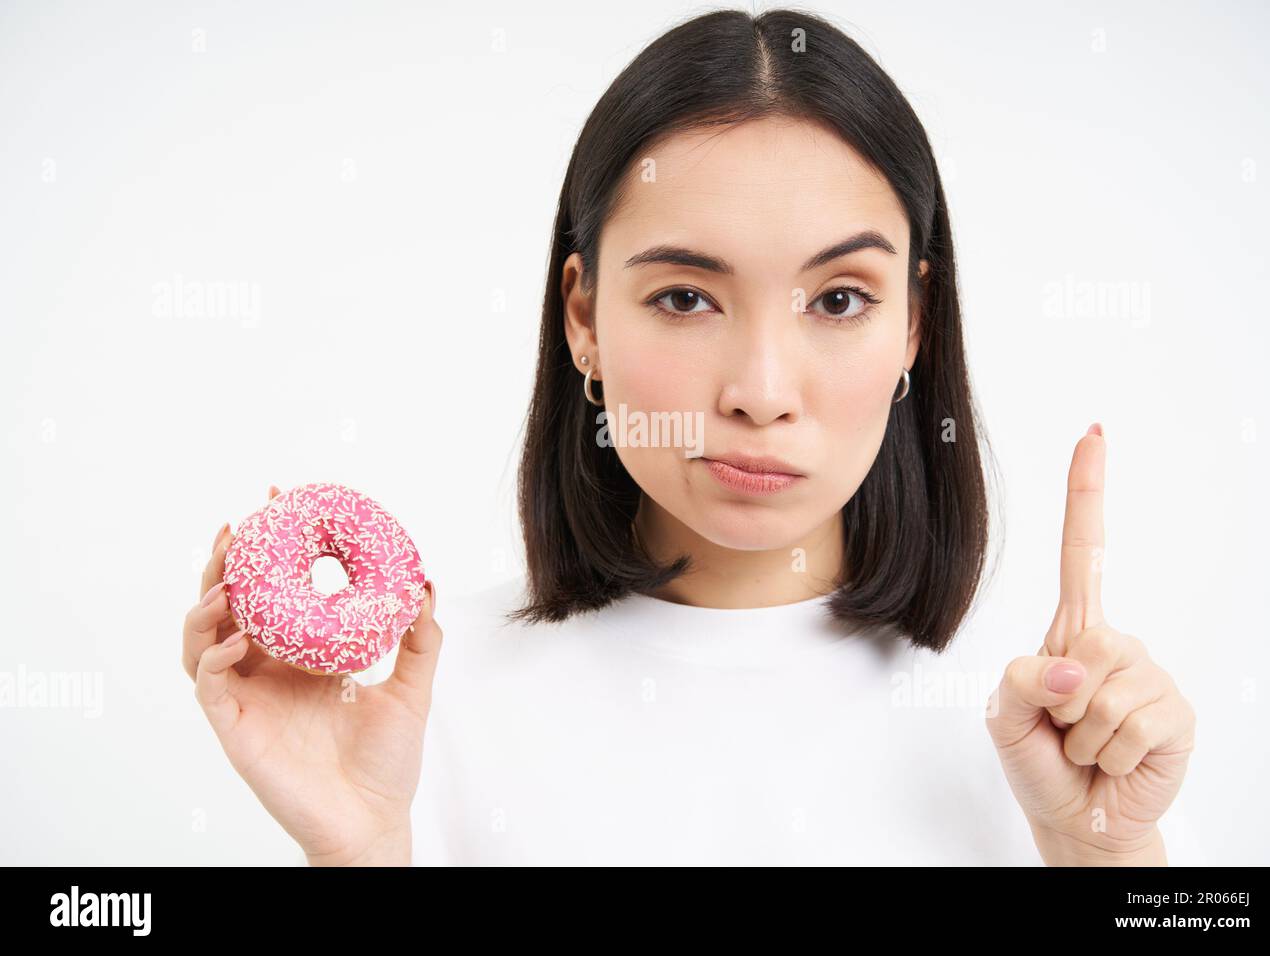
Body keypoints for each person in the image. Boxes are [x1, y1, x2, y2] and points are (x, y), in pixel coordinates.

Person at [180, 8, 1199, 865]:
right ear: (582, 317)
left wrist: (1104, 855)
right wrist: (356, 855)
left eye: (839, 297)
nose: (760, 391)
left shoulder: (1053, 728)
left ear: (913, 327)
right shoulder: (414, 711)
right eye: (684, 295)